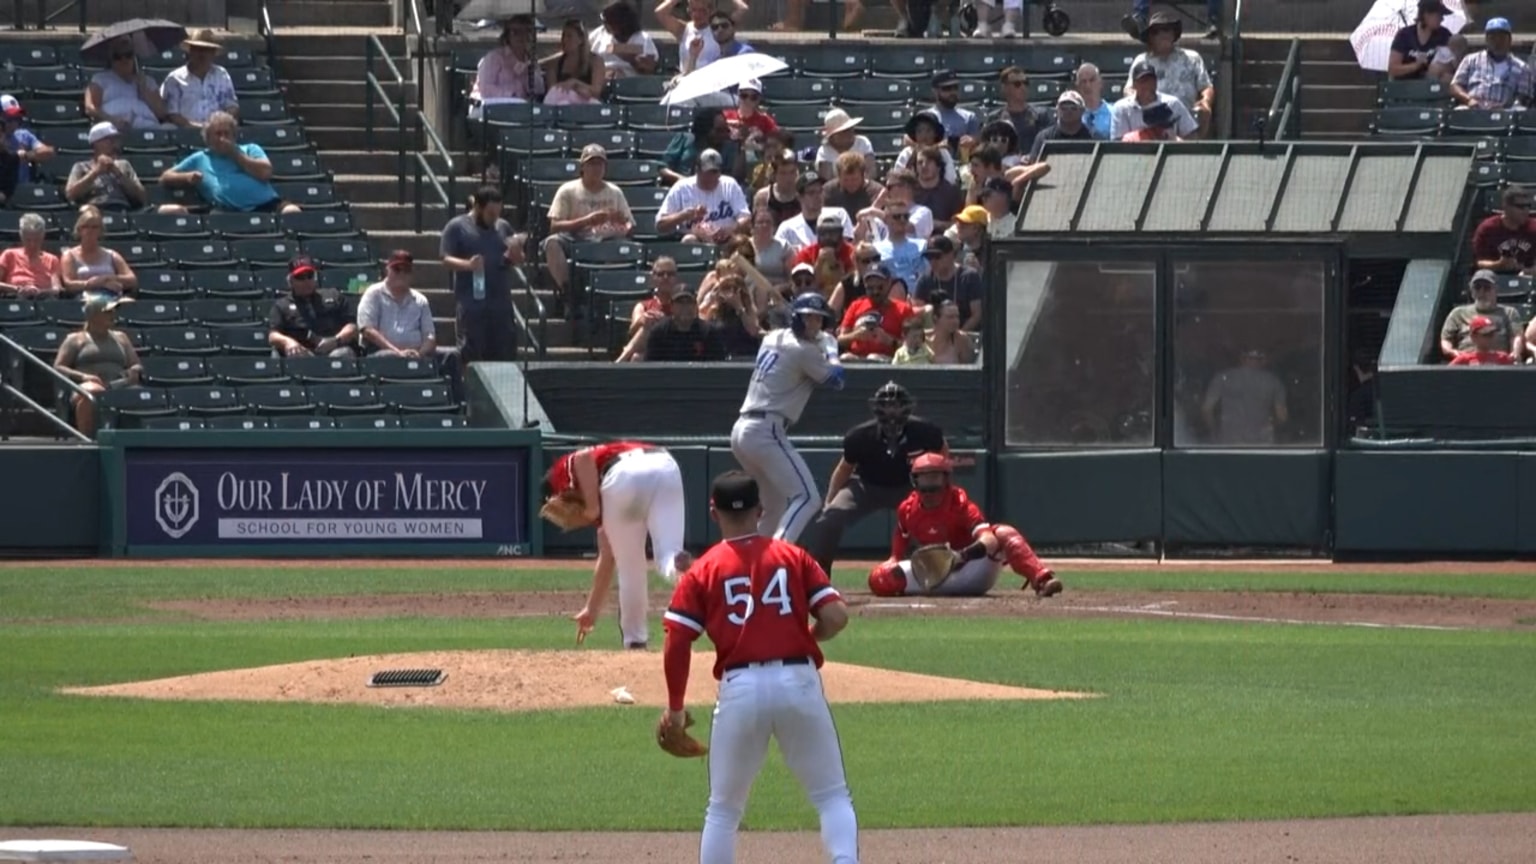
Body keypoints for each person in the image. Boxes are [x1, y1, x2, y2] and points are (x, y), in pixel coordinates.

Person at [660, 470, 857, 864]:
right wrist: (806, 637)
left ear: (713, 513)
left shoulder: (703, 569)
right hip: (798, 681)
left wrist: (676, 709)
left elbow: (677, 641)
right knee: (832, 795)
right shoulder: (793, 556)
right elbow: (836, 615)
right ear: (760, 510)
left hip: (740, 689)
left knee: (723, 809)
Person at [544, 440, 689, 649]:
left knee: (631, 568)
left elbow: (582, 457)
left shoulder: (559, 473)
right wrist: (591, 610)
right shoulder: (602, 490)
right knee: (668, 556)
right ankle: (679, 565)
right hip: (664, 465)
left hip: (621, 474)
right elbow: (607, 556)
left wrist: (591, 509)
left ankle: (635, 641)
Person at [730, 293, 845, 542]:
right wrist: (831, 349)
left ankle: (751, 558)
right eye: (809, 319)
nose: (814, 325)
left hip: (743, 431)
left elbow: (767, 334)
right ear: (796, 318)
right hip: (765, 429)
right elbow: (837, 380)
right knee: (808, 498)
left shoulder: (774, 337)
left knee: (775, 505)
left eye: (818, 320)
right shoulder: (803, 352)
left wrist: (821, 342)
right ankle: (778, 556)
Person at [796, 381, 943, 573]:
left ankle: (934, 570)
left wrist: (942, 493)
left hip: (910, 489)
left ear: (907, 407)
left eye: (897, 405)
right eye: (887, 405)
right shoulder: (860, 435)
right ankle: (818, 575)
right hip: (866, 487)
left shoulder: (926, 431)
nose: (892, 411)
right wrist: (829, 503)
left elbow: (942, 459)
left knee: (934, 519)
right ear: (877, 407)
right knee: (831, 516)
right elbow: (843, 469)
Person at [868, 453, 1061, 597]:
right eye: (923, 479)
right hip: (933, 572)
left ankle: (1042, 579)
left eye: (934, 479)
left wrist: (962, 555)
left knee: (1003, 532)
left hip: (971, 570)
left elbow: (990, 541)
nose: (929, 487)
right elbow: (902, 533)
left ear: (946, 480)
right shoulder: (907, 509)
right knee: (880, 578)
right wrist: (894, 558)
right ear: (914, 481)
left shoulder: (960, 504)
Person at [440, 186, 521, 365]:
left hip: (500, 302)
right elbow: (445, 259)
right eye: (490, 213)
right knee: (471, 352)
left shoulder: (503, 227)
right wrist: (468, 265)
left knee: (504, 352)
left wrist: (515, 255)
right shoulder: (457, 227)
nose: (494, 218)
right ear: (477, 207)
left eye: (497, 213)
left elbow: (514, 258)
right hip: (472, 303)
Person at [158, 111, 298, 214]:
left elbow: (265, 172)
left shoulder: (250, 149)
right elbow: (165, 177)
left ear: (234, 136)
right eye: (218, 134)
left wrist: (234, 153)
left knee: (292, 212)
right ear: (208, 138)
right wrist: (187, 177)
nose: (222, 138)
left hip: (267, 205)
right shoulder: (200, 158)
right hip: (227, 211)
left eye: (227, 134)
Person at [53, 292, 142, 438]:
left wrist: (134, 371)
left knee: (141, 394)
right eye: (107, 312)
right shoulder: (75, 339)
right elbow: (59, 367)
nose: (112, 315)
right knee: (92, 392)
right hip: (87, 385)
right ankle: (87, 439)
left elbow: (136, 364)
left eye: (113, 311)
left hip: (118, 385)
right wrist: (84, 376)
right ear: (93, 315)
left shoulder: (121, 337)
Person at [267, 256, 359, 358]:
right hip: (302, 353)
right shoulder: (281, 305)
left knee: (344, 353)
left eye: (309, 276)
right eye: (300, 277)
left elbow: (352, 327)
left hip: (334, 349)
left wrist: (335, 340)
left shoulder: (334, 295)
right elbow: (273, 336)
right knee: (295, 356)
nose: (306, 281)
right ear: (291, 281)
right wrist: (288, 342)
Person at [84, 37, 173, 130]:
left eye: (128, 55)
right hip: (113, 125)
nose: (124, 60)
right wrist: (112, 120)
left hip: (146, 123)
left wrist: (144, 90)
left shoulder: (147, 81)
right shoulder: (100, 79)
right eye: (118, 56)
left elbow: (161, 113)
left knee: (171, 129)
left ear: (134, 57)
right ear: (111, 59)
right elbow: (90, 108)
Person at [468, 14, 545, 120]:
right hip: (489, 109)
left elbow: (539, 90)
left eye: (527, 31)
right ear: (507, 35)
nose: (521, 36)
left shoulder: (531, 61)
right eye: (515, 32)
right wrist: (511, 94)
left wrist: (528, 73)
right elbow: (484, 89)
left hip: (520, 111)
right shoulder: (494, 57)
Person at [160, 29, 239, 127]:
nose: (202, 54)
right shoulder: (175, 79)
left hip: (217, 132)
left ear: (213, 53)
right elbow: (172, 114)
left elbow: (232, 106)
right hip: (185, 131)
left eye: (207, 50)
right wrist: (197, 127)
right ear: (190, 51)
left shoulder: (221, 75)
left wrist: (219, 124)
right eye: (198, 49)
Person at [64, 122, 148, 212]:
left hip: (122, 210)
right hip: (95, 211)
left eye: (116, 141)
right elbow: (70, 195)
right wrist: (96, 172)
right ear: (96, 143)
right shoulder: (81, 166)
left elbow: (142, 197)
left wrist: (118, 173)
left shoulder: (124, 165)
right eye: (110, 141)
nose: (115, 145)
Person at [59, 205, 137, 296]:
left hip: (112, 296)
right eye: (86, 226)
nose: (90, 230)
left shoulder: (111, 255)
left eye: (95, 227)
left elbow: (132, 279)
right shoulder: (70, 255)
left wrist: (106, 278)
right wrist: (91, 284)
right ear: (79, 230)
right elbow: (69, 284)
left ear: (101, 231)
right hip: (85, 298)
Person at [541, 19, 605, 107]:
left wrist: (575, 83)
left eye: (569, 36)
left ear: (581, 40)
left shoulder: (595, 61)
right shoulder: (555, 64)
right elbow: (552, 91)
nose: (564, 40)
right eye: (563, 36)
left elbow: (597, 91)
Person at [589, 0, 659, 79]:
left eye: (608, 22)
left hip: (630, 82)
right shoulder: (599, 34)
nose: (605, 25)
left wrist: (631, 59)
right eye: (604, 21)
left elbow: (649, 69)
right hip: (600, 78)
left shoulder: (642, 39)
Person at [0, 212, 61, 298]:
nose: (32, 244)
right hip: (15, 299)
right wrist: (18, 289)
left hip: (43, 300)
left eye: (36, 240)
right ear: (21, 236)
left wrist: (39, 292)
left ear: (43, 236)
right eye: (28, 240)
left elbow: (56, 288)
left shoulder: (52, 259)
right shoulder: (9, 255)